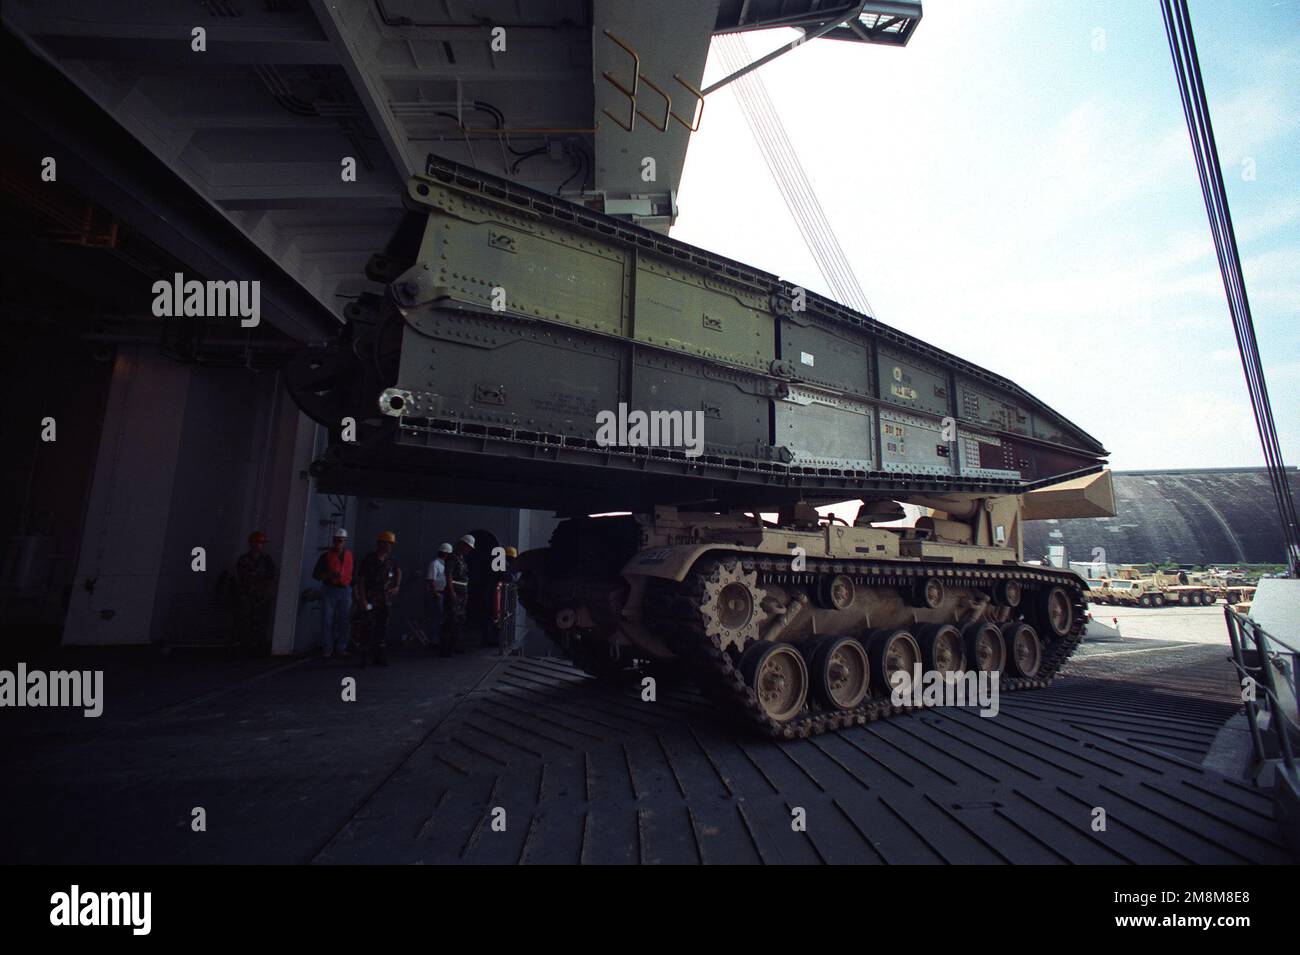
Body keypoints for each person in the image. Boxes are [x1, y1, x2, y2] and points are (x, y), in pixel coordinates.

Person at [355, 530, 401, 666]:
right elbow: (361, 580)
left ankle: (378, 657)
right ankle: (363, 657)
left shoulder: (391, 560)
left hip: (385, 601)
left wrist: (397, 585)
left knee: (382, 628)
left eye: (391, 544)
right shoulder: (369, 560)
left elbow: (399, 571)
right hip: (370, 599)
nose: (390, 547)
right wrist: (362, 599)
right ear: (381, 543)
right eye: (388, 544)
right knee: (367, 627)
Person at [233, 531, 276, 656]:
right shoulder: (243, 560)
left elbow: (271, 576)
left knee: (262, 622)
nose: (259, 545)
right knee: (245, 622)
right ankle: (244, 647)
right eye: (258, 543)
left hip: (263, 596)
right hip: (247, 596)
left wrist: (267, 591)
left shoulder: (267, 560)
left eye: (261, 543)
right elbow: (244, 577)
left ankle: (259, 648)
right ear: (251, 544)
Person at [312, 529, 353, 658]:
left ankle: (341, 647)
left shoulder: (350, 556)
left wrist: (355, 591)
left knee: (344, 620)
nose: (337, 543)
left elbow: (353, 574)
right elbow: (316, 575)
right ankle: (327, 649)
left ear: (345, 542)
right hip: (329, 590)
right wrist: (330, 574)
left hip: (345, 590)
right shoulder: (325, 556)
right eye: (335, 540)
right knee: (327, 620)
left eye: (340, 541)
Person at [441, 534, 474, 657]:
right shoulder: (452, 558)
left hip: (462, 594)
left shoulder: (462, 559)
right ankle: (445, 649)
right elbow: (448, 575)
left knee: (459, 620)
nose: (468, 549)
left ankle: (455, 646)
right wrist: (451, 592)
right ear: (462, 545)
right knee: (450, 620)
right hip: (454, 593)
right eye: (467, 546)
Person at [491, 546, 521, 655]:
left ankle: (500, 640)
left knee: (502, 617)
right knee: (499, 617)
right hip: (499, 595)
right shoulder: (503, 566)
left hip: (503, 596)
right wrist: (516, 581)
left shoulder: (505, 565)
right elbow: (507, 577)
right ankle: (496, 641)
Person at [425, 542, 451, 651]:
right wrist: (435, 593)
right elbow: (431, 579)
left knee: (442, 618)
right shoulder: (435, 564)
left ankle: (440, 640)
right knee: (436, 618)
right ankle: (434, 642)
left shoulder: (444, 564)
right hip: (438, 594)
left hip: (444, 593)